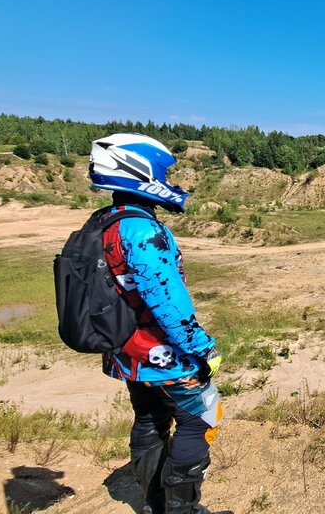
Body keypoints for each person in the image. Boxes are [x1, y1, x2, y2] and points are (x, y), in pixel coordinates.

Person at [87, 133, 223, 514]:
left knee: (149, 416)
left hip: (123, 351)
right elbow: (167, 301)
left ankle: (152, 503)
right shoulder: (142, 231)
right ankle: (182, 509)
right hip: (161, 353)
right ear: (140, 171)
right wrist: (202, 348)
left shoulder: (103, 221)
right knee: (201, 418)